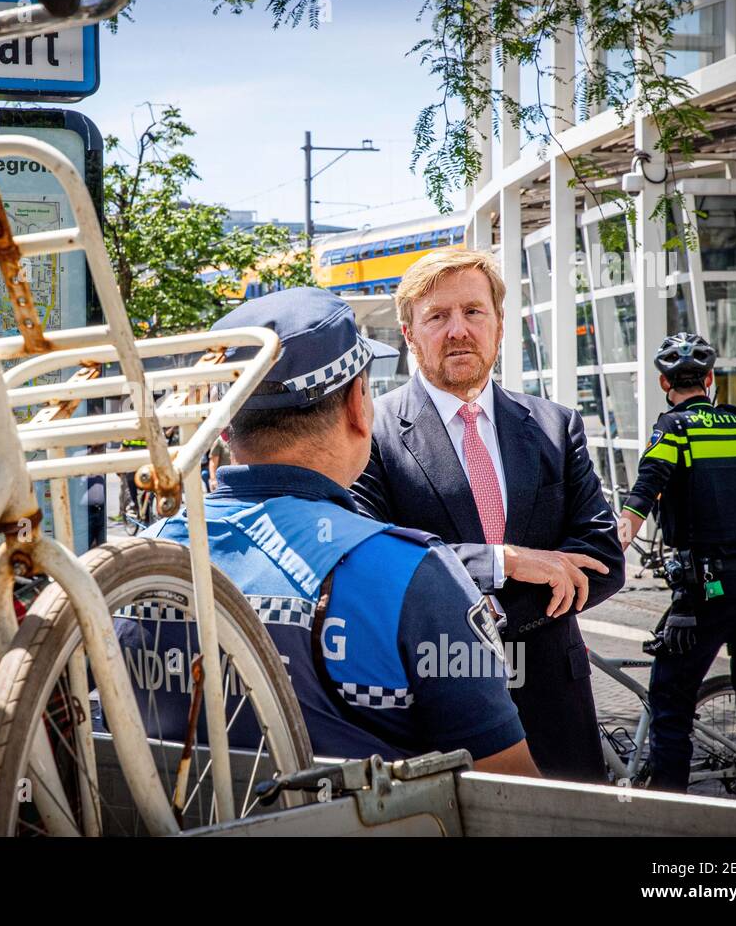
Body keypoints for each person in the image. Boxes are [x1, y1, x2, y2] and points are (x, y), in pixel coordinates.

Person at [123, 286, 539, 773]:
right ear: (358, 408)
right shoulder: (413, 575)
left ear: (222, 428)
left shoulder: (139, 562)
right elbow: (508, 788)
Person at [350, 248, 624, 781]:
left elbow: (602, 558)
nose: (458, 330)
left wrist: (498, 615)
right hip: (432, 704)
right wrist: (504, 563)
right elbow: (374, 559)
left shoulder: (554, 426)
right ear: (409, 333)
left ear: (500, 325)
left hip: (555, 704)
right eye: (437, 317)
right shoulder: (370, 434)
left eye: (474, 312)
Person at [616, 333, 736, 800]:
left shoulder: (674, 427)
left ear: (663, 382)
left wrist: (619, 537)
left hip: (706, 586)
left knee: (670, 707)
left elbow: (647, 484)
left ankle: (671, 821)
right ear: (710, 379)